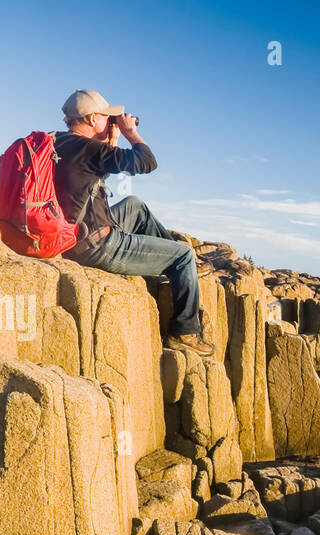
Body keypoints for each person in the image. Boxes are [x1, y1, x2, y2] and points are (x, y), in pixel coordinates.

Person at [53, 89, 215, 355]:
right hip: (97, 244)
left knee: (135, 205)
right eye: (108, 117)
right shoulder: (88, 149)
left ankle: (174, 267)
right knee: (184, 255)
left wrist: (111, 140)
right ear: (93, 118)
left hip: (73, 233)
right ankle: (184, 332)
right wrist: (130, 133)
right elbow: (147, 162)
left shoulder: (60, 142)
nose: (112, 121)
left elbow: (95, 176)